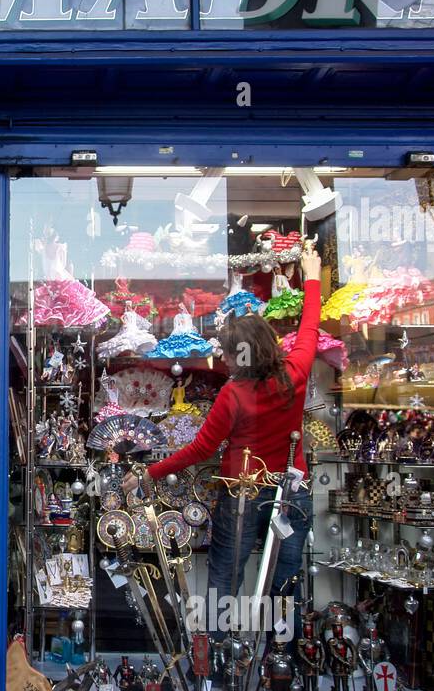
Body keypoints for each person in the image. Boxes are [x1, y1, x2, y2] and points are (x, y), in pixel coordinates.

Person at [123, 244, 323, 627]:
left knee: (226, 576)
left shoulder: (235, 394)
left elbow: (202, 448)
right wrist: (312, 277)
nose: (227, 361)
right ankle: (281, 663)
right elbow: (310, 326)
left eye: (230, 354)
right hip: (291, 489)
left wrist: (148, 472)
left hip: (242, 490)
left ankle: (217, 658)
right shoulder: (294, 374)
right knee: (286, 577)